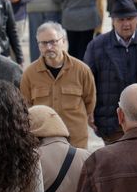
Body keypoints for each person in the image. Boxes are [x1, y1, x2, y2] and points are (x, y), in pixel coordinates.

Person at [82, 0, 137, 144]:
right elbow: (86, 82)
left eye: (130, 18)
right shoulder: (97, 45)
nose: (126, 24)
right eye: (121, 19)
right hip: (111, 121)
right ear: (113, 21)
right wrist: (88, 111)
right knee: (116, 164)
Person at [22, 21, 97, 149]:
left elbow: (90, 102)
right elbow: (25, 106)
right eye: (43, 43)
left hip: (75, 142)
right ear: (38, 45)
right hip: (43, 143)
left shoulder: (82, 70)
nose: (49, 47)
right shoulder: (29, 74)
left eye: (53, 42)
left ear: (63, 41)